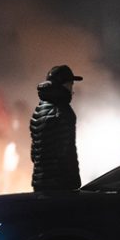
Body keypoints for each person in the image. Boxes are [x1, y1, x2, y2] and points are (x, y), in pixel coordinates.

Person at [29, 64, 82, 193]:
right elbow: (65, 152)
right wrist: (74, 182)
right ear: (63, 85)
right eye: (70, 85)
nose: (71, 90)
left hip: (40, 183)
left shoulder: (40, 108)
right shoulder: (63, 111)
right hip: (60, 185)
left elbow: (34, 154)